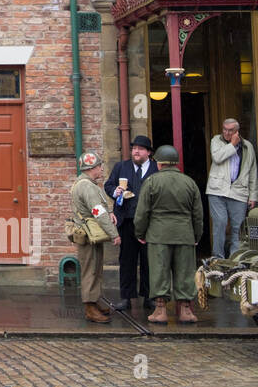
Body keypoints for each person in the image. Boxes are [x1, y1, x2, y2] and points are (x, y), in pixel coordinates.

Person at [135, 145, 204, 325]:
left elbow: (142, 213)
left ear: (159, 163)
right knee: (185, 272)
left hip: (158, 234)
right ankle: (186, 311)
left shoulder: (151, 182)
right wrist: (196, 236)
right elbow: (198, 214)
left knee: (159, 271)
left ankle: (160, 310)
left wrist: (140, 233)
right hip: (185, 234)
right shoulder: (189, 182)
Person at [106, 135, 158, 311]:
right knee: (127, 260)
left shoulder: (156, 169)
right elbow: (108, 185)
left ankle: (148, 297)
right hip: (127, 221)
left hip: (149, 223)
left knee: (148, 261)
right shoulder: (122, 166)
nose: (136, 151)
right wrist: (115, 191)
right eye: (134, 148)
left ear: (149, 152)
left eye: (140, 148)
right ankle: (127, 298)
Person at [70, 152, 119, 323]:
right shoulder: (87, 186)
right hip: (89, 234)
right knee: (91, 270)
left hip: (91, 234)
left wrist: (110, 212)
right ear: (92, 168)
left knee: (95, 267)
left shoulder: (85, 183)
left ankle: (94, 301)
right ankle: (90, 307)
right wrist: (114, 233)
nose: (101, 169)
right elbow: (98, 211)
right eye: (99, 166)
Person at [207, 118, 258, 258]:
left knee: (238, 228)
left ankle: (236, 259)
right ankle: (217, 258)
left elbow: (252, 171)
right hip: (217, 190)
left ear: (237, 131)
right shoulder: (216, 141)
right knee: (220, 223)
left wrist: (253, 196)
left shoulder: (248, 146)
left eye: (230, 130)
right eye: (224, 129)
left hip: (239, 191)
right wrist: (232, 144)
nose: (226, 132)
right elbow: (217, 157)